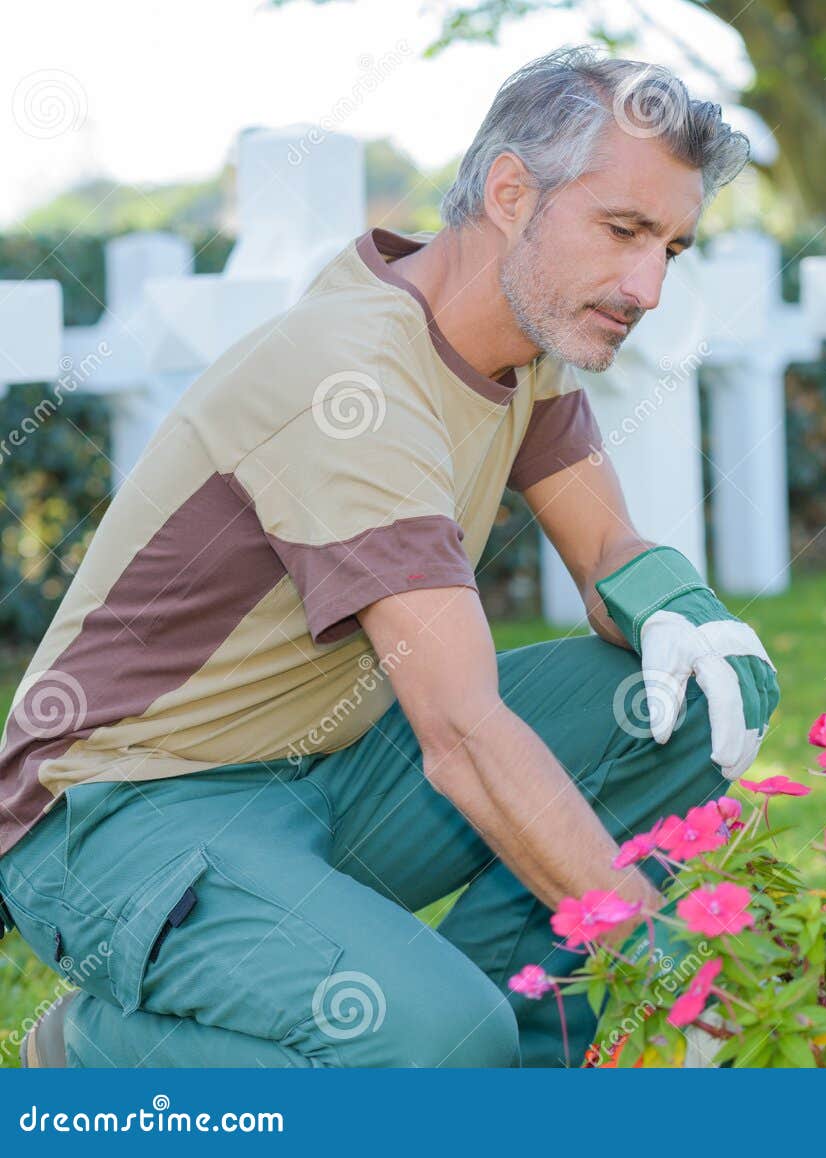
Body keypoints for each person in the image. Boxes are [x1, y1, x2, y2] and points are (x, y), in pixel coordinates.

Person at [0, 45, 778, 1067]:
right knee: (436, 1041)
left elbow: (608, 551)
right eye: (624, 230)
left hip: (320, 771)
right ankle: (99, 1056)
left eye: (671, 248)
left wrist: (682, 611)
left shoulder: (514, 344)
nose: (648, 286)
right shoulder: (353, 378)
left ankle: (520, 1067)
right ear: (510, 191)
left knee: (685, 703)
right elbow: (459, 733)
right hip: (117, 817)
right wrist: (662, 955)